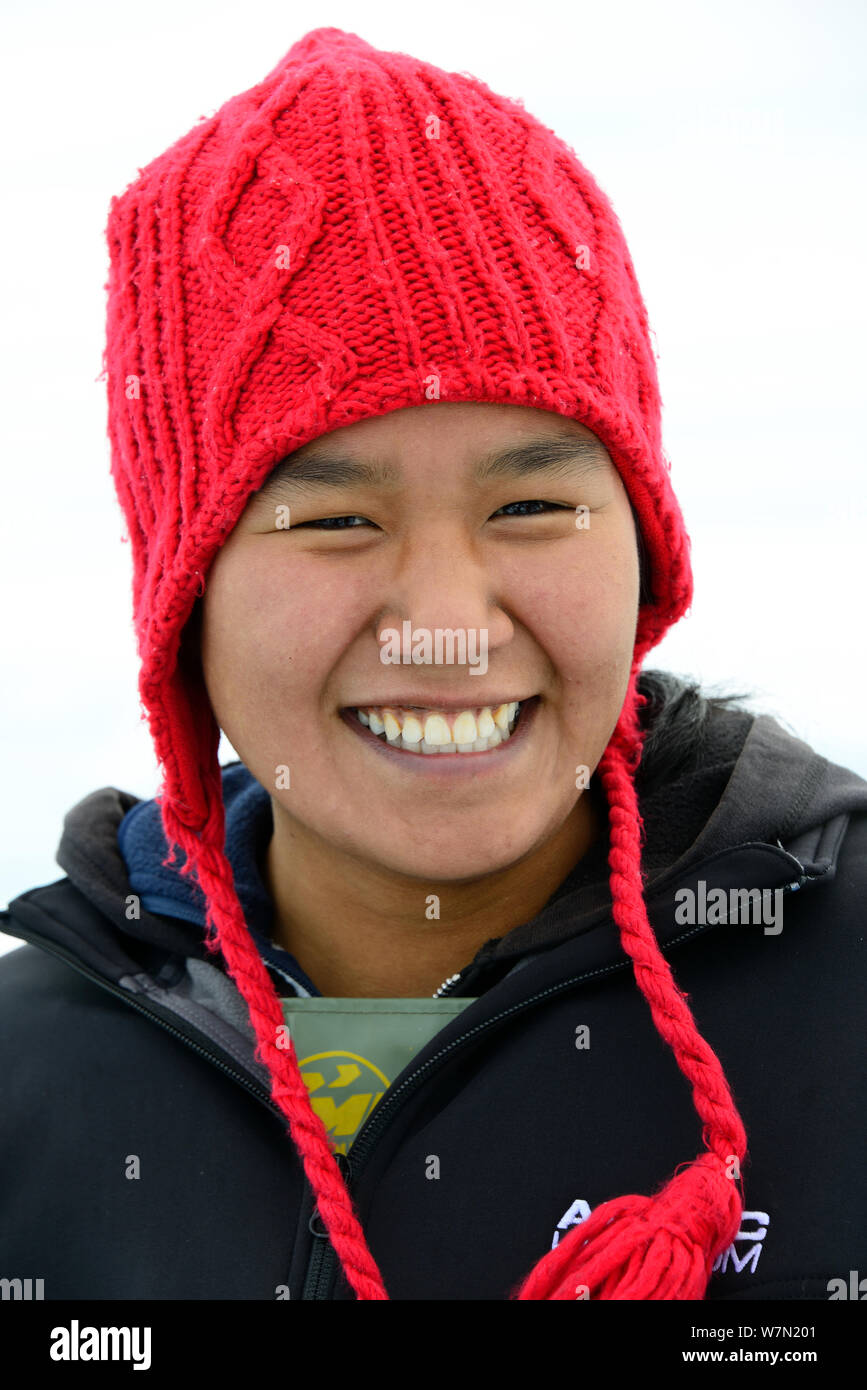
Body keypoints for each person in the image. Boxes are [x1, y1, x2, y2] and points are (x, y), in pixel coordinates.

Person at [1, 26, 865, 1303]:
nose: (448, 621)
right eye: (337, 520)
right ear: (183, 594)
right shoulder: (33, 1081)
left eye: (530, 509)